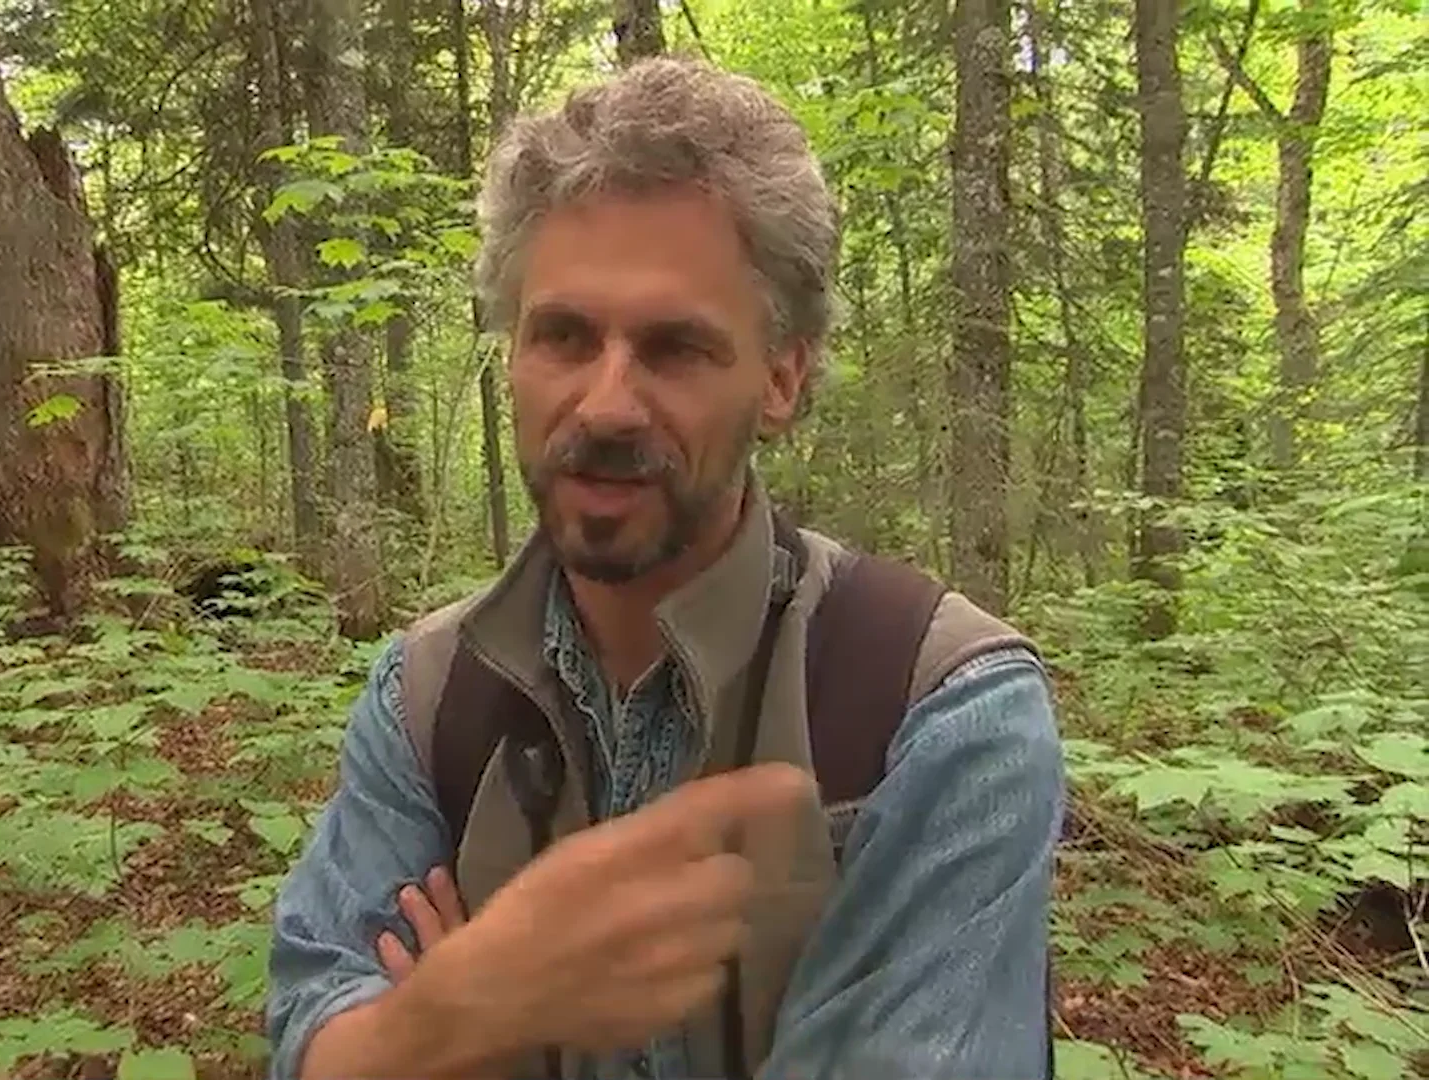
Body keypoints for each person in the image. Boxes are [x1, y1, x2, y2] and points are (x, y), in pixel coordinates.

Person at [264, 56, 1064, 1080]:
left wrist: (438, 1036)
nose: (605, 406)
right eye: (563, 336)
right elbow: (311, 1036)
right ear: (511, 356)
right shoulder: (426, 697)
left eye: (675, 347)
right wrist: (465, 1009)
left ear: (781, 379)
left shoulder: (935, 710)